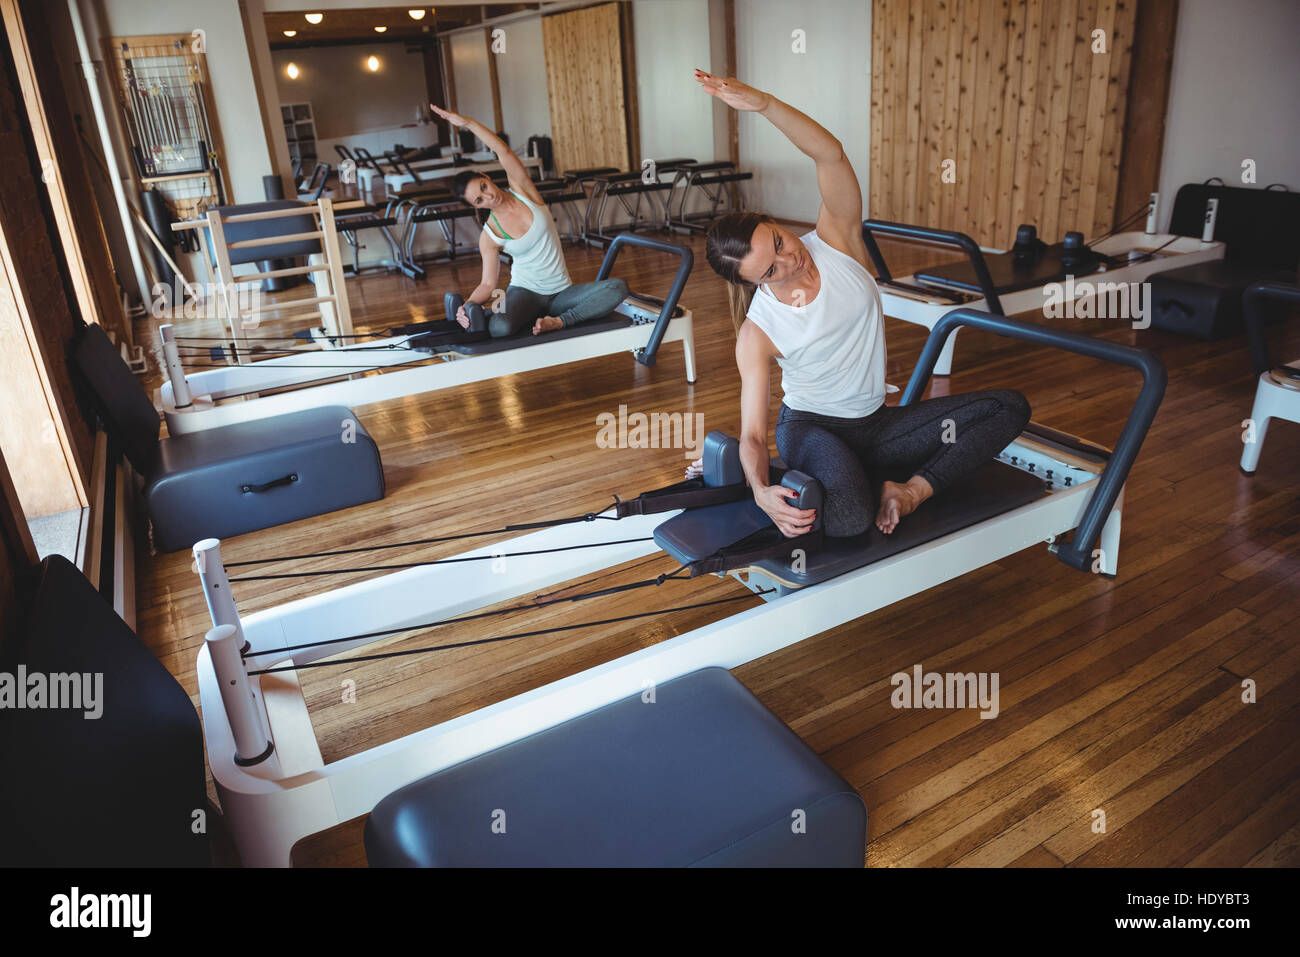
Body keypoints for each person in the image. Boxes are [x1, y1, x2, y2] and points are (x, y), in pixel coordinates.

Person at [689, 70, 1030, 539]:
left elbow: (829, 154)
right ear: (750, 283)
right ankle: (836, 477)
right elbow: (752, 434)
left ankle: (907, 490)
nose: (790, 260)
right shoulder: (758, 331)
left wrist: (764, 103)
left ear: (774, 223)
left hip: (876, 425)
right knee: (849, 518)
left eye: (779, 241)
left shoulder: (837, 239)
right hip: (812, 430)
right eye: (770, 270)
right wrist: (760, 490)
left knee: (1007, 408)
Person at [431, 104, 629, 337]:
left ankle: (559, 322)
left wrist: (468, 123)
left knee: (617, 288)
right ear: (476, 207)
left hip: (561, 294)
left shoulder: (524, 191)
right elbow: (488, 285)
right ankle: (483, 313)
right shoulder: (490, 235)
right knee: (500, 327)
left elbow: (503, 151)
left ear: (486, 177)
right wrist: (467, 304)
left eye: (484, 187)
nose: (489, 197)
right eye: (479, 200)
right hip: (523, 292)